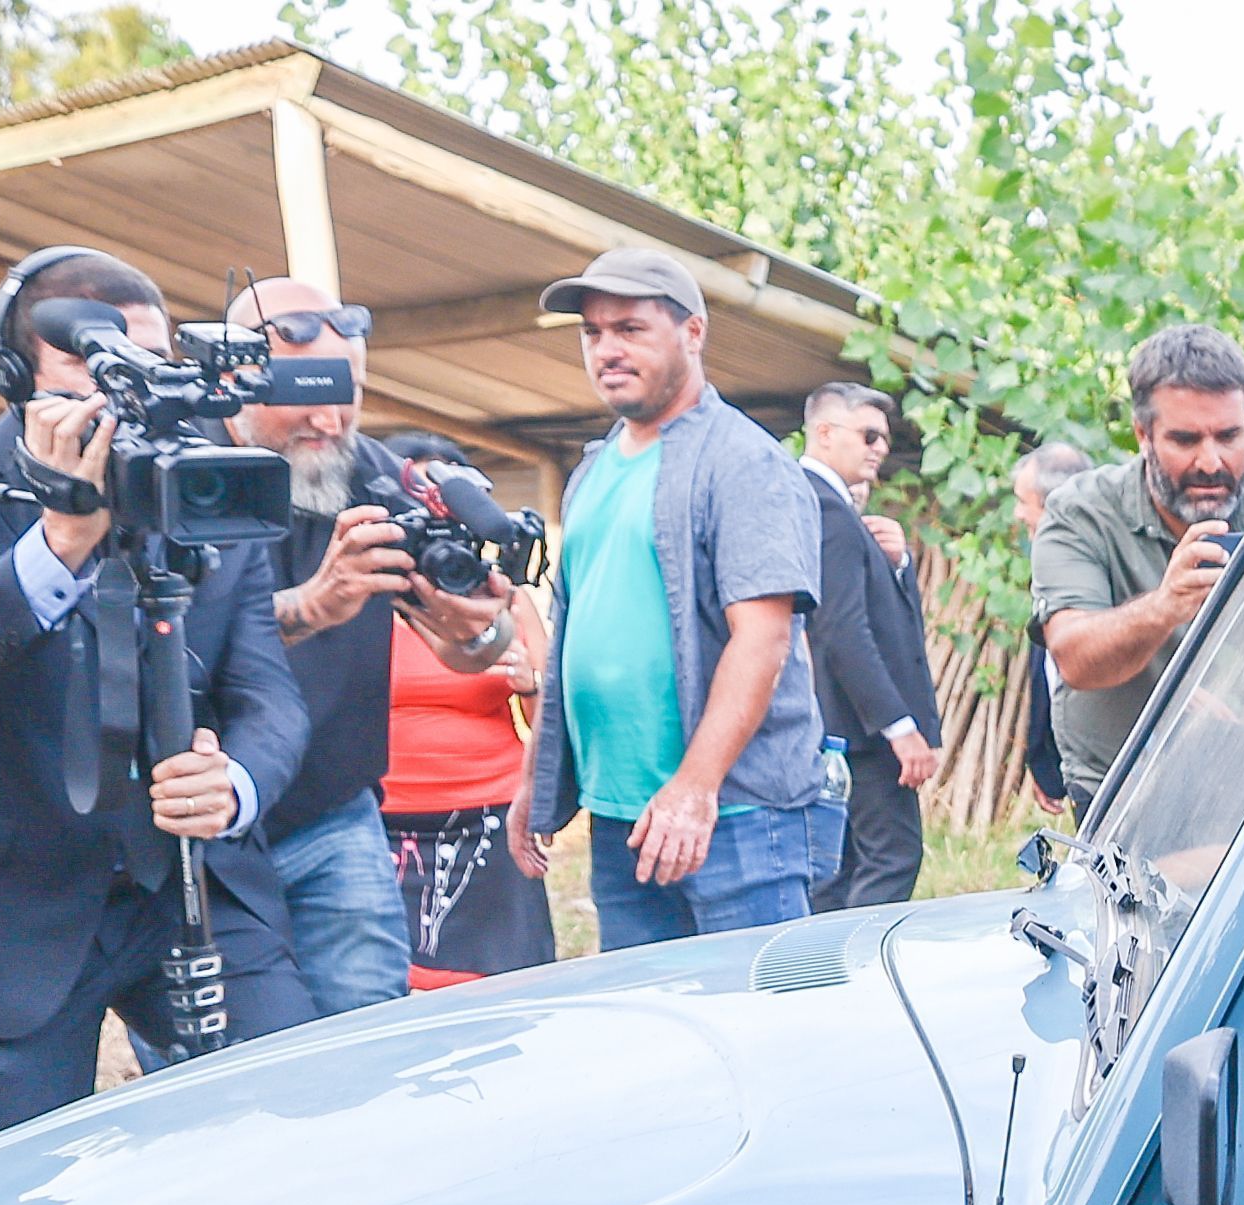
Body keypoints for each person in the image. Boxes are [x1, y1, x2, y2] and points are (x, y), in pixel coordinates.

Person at [0, 250, 313, 1149]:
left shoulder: (208, 485)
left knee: (290, 1137)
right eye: (94, 370)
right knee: (15, 1200)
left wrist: (235, 783)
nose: (125, 399)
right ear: (18, 376)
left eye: (147, 369)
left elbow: (266, 693)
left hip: (190, 887)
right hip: (2, 906)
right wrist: (62, 536)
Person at [528, 245, 824, 959]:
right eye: (592, 333)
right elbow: (575, 632)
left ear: (692, 333)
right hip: (621, 818)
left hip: (733, 816)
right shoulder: (593, 470)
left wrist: (695, 787)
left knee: (762, 1037)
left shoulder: (743, 462)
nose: (606, 349)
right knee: (655, 1053)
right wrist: (535, 781)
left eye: (630, 329)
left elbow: (762, 639)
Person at [229, 276, 512, 1017]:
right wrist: (313, 606)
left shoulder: (374, 473)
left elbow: (477, 646)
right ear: (236, 378)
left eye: (347, 390)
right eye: (307, 390)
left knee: (365, 1039)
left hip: (335, 809)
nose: (329, 416)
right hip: (205, 828)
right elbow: (175, 638)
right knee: (226, 1065)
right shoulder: (175, 473)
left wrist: (478, 628)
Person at [1035, 327, 1244, 805]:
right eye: (1185, 440)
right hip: (1124, 790)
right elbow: (1074, 659)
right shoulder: (1081, 512)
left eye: (1229, 436)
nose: (1211, 461)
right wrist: (1165, 606)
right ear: (1142, 434)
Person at [370, 430, 552, 985]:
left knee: (505, 991)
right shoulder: (366, 594)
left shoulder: (503, 598)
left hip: (488, 821)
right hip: (381, 826)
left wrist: (529, 683)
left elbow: (548, 710)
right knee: (382, 989)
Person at [795, 383, 943, 912]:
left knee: (845, 867)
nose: (881, 446)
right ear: (827, 433)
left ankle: (827, 974)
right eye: (869, 434)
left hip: (841, 726)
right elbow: (842, 631)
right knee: (890, 858)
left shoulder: (828, 505)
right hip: (858, 730)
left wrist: (897, 565)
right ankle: (849, 975)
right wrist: (900, 729)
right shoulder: (826, 508)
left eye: (885, 436)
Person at [1010, 441, 1087, 812]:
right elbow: (1047, 670)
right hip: (1075, 763)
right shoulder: (1048, 563)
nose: (1017, 512)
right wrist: (1045, 759)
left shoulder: (1098, 568)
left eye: (1023, 502)